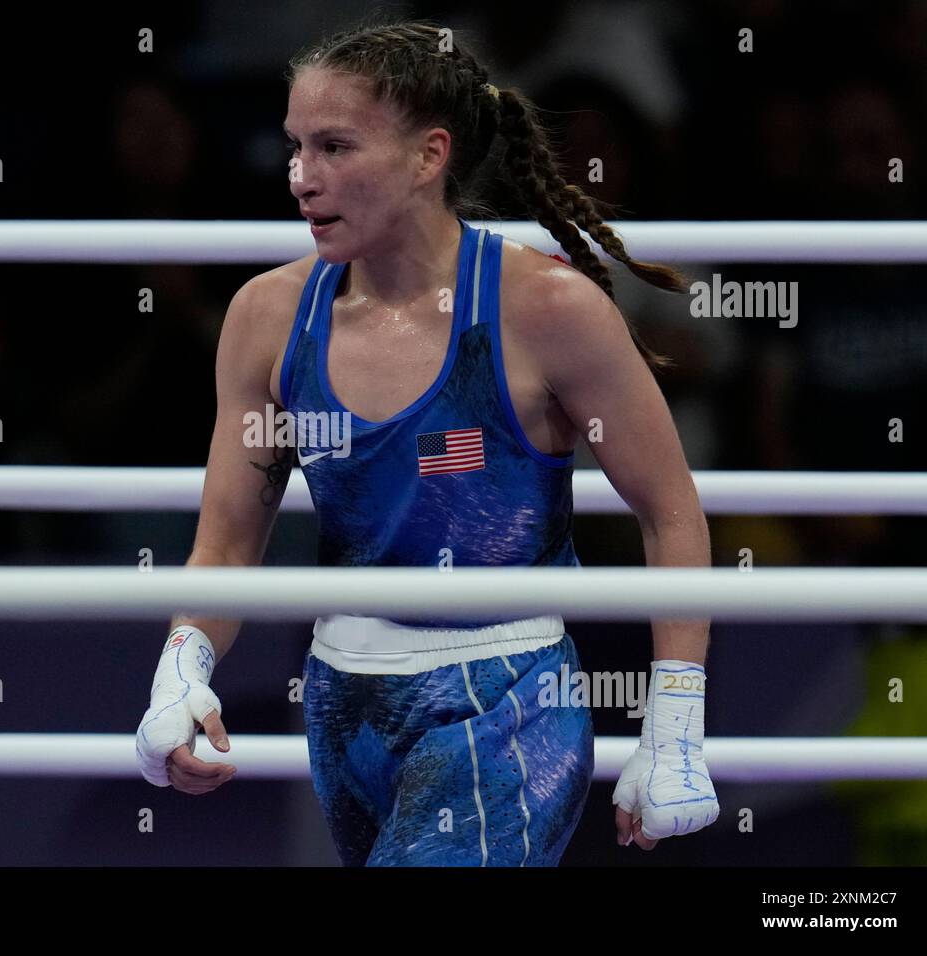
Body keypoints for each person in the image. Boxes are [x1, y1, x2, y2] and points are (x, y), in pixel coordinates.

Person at [137, 20, 719, 866]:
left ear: (427, 156)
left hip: (507, 697)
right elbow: (226, 541)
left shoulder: (548, 310)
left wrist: (675, 726)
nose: (302, 177)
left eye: (335, 146)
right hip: (342, 698)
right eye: (296, 145)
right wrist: (180, 670)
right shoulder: (267, 317)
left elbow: (671, 511)